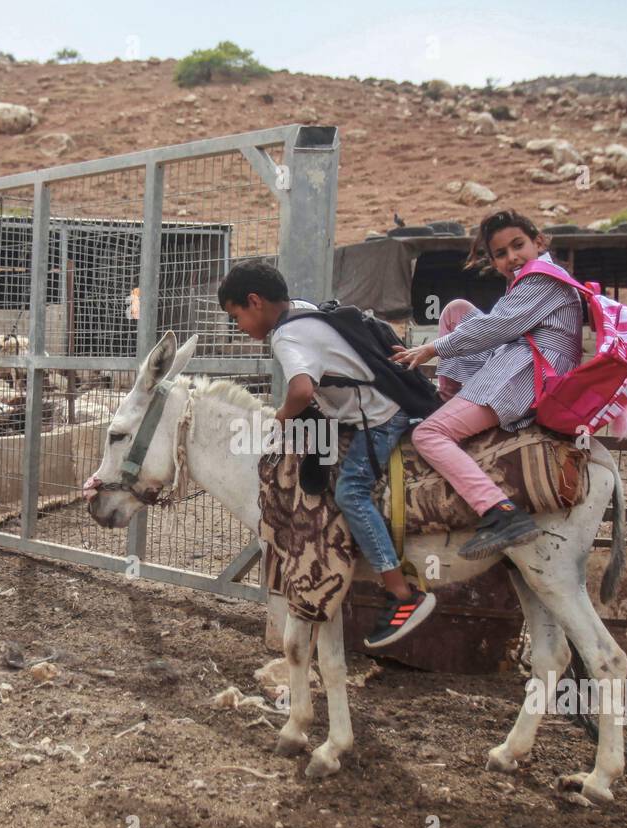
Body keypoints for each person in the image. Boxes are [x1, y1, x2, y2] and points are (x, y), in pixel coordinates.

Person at [218, 259, 436, 648]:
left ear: (254, 301)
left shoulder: (285, 336)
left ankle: (403, 593)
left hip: (380, 417)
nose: (239, 328)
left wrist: (280, 419)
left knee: (351, 492)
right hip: (372, 405)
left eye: (237, 317)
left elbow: (301, 392)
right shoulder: (303, 310)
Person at [392, 210, 584, 560]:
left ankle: (501, 513)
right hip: (518, 358)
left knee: (427, 436)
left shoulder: (543, 279)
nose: (511, 257)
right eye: (500, 253)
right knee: (456, 310)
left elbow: (498, 327)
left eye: (518, 246)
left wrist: (433, 348)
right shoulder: (534, 277)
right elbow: (493, 326)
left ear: (538, 242)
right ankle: (446, 401)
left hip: (524, 374)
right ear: (493, 261)